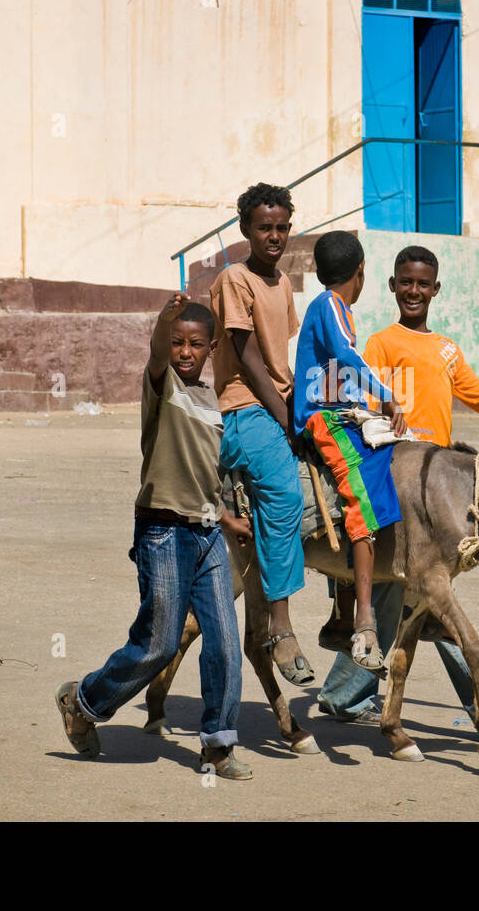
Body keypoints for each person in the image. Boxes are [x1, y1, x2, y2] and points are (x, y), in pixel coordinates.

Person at [317, 244, 479, 728]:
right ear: (392, 286)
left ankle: (343, 695)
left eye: (423, 283)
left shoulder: (446, 349)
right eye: (405, 282)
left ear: (436, 289)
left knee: (419, 598)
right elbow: (362, 397)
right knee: (428, 596)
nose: (414, 291)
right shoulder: (380, 343)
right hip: (401, 479)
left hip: (443, 488)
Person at [55, 293, 254, 780]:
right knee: (160, 643)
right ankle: (83, 701)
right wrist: (163, 321)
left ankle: (218, 744)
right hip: (163, 532)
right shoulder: (162, 386)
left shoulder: (211, 402)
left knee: (225, 640)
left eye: (196, 344)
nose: (185, 351)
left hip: (206, 535)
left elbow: (208, 473)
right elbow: (157, 355)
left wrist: (227, 518)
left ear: (212, 348)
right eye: (177, 342)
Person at [209, 183, 314, 686]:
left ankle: (346, 619)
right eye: (263, 228)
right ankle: (282, 624)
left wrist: (304, 408)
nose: (274, 236)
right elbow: (248, 357)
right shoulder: (235, 278)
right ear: (245, 230)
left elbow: (282, 361)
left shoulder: (284, 285)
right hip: (244, 408)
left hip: (276, 401)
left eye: (281, 227)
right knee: (286, 493)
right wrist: (286, 418)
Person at [293, 230, 408, 673]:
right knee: (359, 492)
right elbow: (344, 357)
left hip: (344, 410)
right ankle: (362, 619)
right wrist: (387, 396)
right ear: (360, 271)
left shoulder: (333, 306)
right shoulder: (330, 307)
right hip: (326, 418)